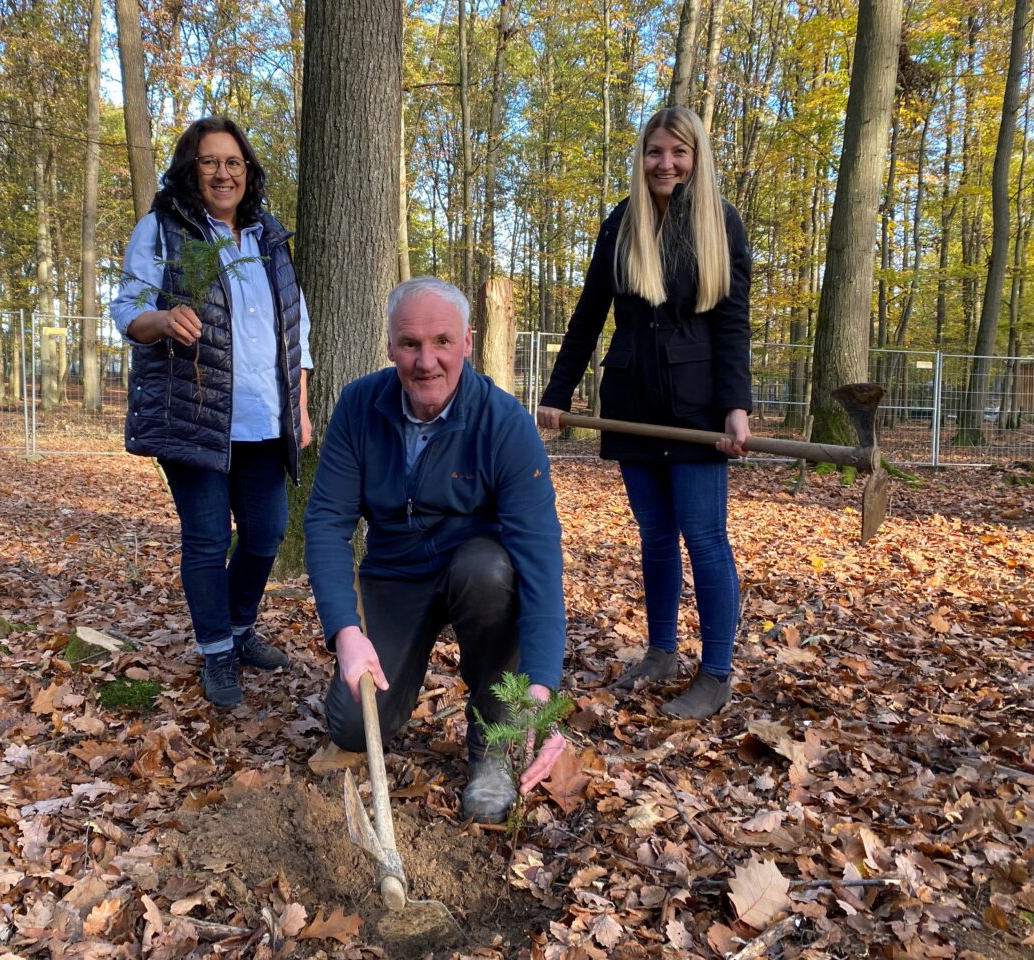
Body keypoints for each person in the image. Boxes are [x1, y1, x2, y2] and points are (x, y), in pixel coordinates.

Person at [305, 277, 568, 824]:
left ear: (467, 342)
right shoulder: (359, 407)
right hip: (394, 576)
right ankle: (385, 681)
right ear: (389, 347)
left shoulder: (506, 425)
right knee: (352, 724)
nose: (427, 362)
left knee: (490, 569)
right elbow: (327, 523)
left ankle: (494, 743)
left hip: (477, 576)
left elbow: (541, 563)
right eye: (410, 344)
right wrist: (346, 634)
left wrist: (539, 691)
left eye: (442, 342)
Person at [537, 106, 751, 720]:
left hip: (698, 408)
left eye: (679, 153)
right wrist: (558, 393)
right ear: (643, 158)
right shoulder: (621, 224)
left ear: (696, 158)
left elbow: (733, 323)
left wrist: (736, 406)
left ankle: (715, 672)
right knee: (656, 536)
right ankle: (660, 652)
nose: (666, 164)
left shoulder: (721, 223)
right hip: (631, 403)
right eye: (656, 152)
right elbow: (588, 315)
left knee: (705, 538)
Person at [110, 116, 312, 709]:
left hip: (263, 418)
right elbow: (127, 308)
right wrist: (163, 320)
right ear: (189, 169)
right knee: (205, 538)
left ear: (248, 172)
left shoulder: (268, 238)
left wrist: (297, 409)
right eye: (209, 162)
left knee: (267, 532)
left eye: (234, 162)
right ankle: (216, 651)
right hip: (194, 411)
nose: (223, 173)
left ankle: (241, 628)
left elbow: (298, 329)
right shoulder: (164, 231)